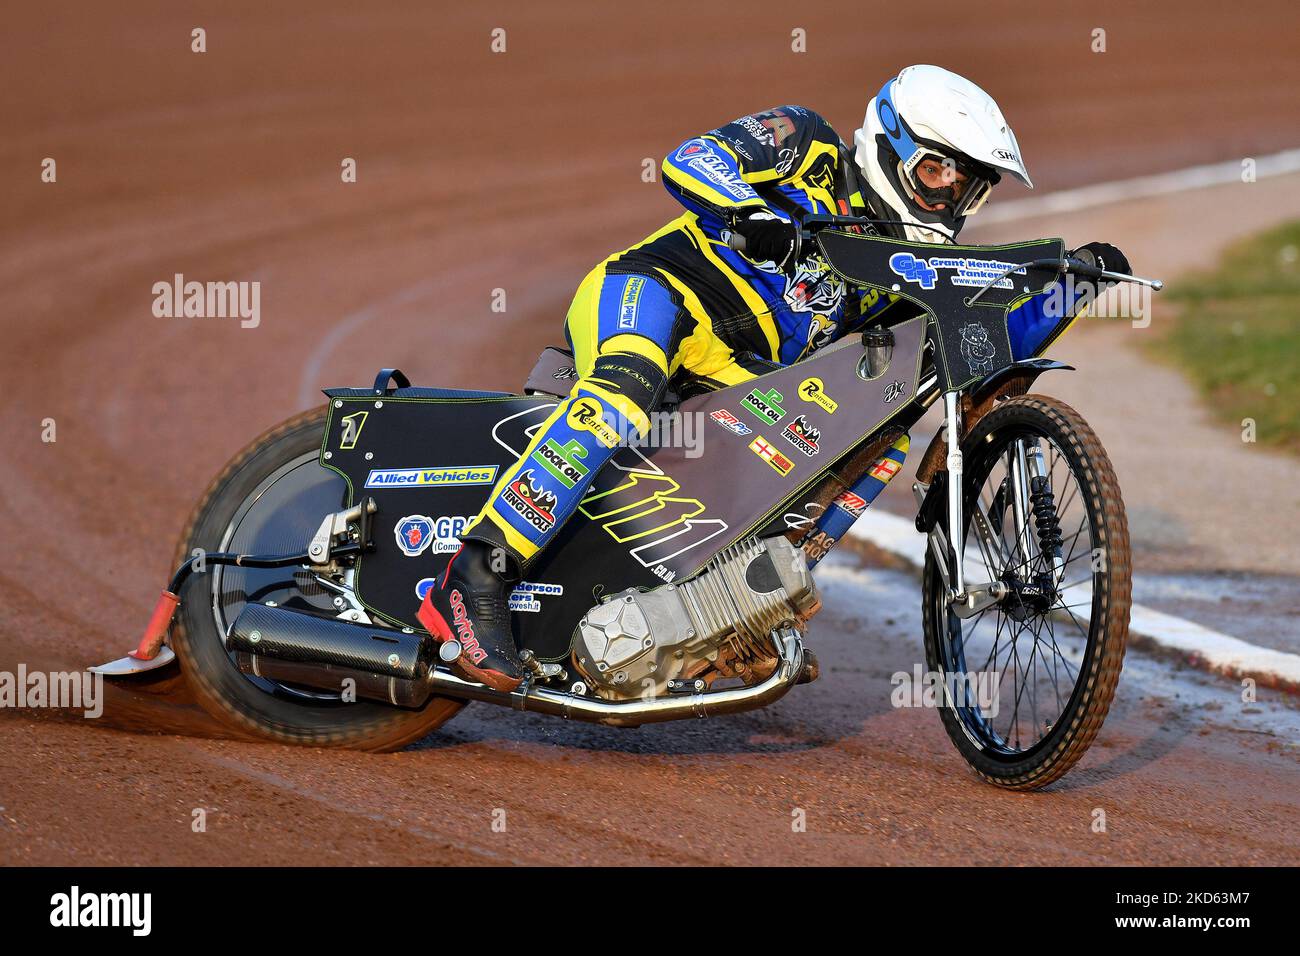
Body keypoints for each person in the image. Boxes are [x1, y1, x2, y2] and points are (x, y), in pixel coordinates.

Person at [417, 64, 1130, 691]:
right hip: (655, 293)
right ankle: (475, 569)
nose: (949, 198)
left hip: (733, 372)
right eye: (939, 172)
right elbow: (692, 158)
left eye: (968, 186)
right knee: (626, 387)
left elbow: (985, 345)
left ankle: (741, 608)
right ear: (891, 144)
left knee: (874, 437)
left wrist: (1074, 285)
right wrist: (754, 212)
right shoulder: (809, 141)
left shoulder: (909, 266)